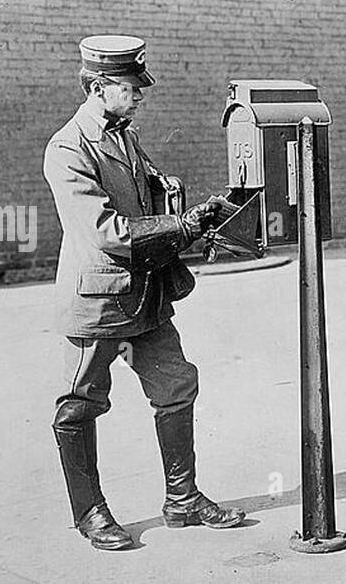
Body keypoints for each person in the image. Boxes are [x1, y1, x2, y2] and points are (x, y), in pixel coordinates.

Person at [43, 35, 246, 550]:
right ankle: (89, 512)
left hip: (145, 295)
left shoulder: (124, 136)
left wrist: (191, 212)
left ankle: (183, 498)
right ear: (96, 87)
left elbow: (146, 198)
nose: (140, 96)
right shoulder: (68, 148)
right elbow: (106, 231)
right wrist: (181, 227)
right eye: (130, 89)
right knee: (81, 404)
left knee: (176, 383)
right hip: (100, 300)